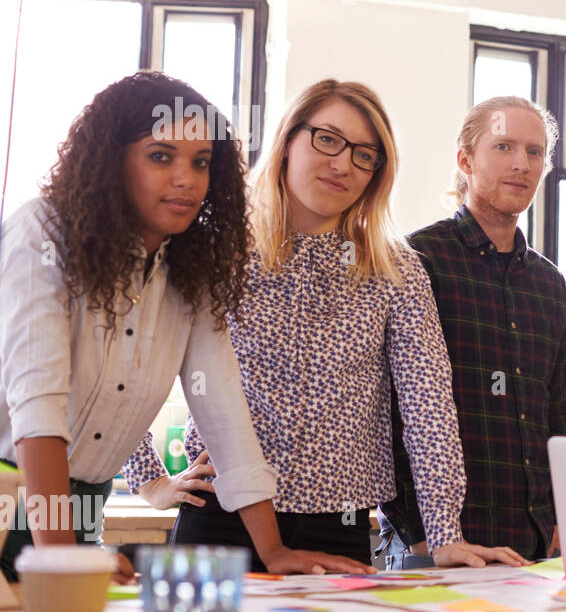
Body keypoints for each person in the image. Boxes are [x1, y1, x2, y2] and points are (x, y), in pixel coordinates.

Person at [124, 80, 518, 571]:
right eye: (328, 139)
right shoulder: (215, 249)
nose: (343, 164)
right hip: (221, 515)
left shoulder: (394, 268)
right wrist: (151, 481)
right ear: (288, 140)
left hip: (341, 526)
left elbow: (428, 405)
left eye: (365, 155)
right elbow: (125, 365)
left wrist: (444, 533)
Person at [1, 71, 365, 583]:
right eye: (160, 156)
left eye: (200, 163)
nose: (186, 179)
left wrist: (275, 550)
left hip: (75, 512)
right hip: (20, 495)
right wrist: (62, 560)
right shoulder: (43, 231)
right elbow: (38, 405)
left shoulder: (189, 268)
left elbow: (225, 412)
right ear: (112, 160)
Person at [377, 96, 566, 567]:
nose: (521, 164)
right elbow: (381, 409)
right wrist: (419, 533)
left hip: (530, 545)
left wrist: (561, 517)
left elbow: (559, 412)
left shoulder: (550, 284)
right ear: (465, 160)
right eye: (504, 146)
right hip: (434, 545)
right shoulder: (413, 261)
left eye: (534, 152)